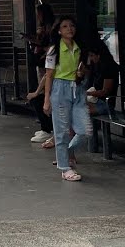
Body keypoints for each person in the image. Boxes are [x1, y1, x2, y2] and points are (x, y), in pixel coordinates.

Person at [43, 17, 90, 182]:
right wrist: (46, 99)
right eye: (65, 26)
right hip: (59, 90)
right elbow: (49, 75)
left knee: (85, 130)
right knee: (62, 132)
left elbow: (83, 71)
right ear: (59, 31)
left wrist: (81, 73)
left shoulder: (79, 49)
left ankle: (68, 151)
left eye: (72, 25)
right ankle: (65, 168)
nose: (69, 28)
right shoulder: (54, 50)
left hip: (77, 89)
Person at [25, 3, 56, 144]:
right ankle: (48, 129)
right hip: (43, 64)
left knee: (42, 97)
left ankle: (47, 129)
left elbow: (48, 75)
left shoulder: (50, 29)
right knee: (41, 95)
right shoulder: (46, 27)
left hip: (48, 69)